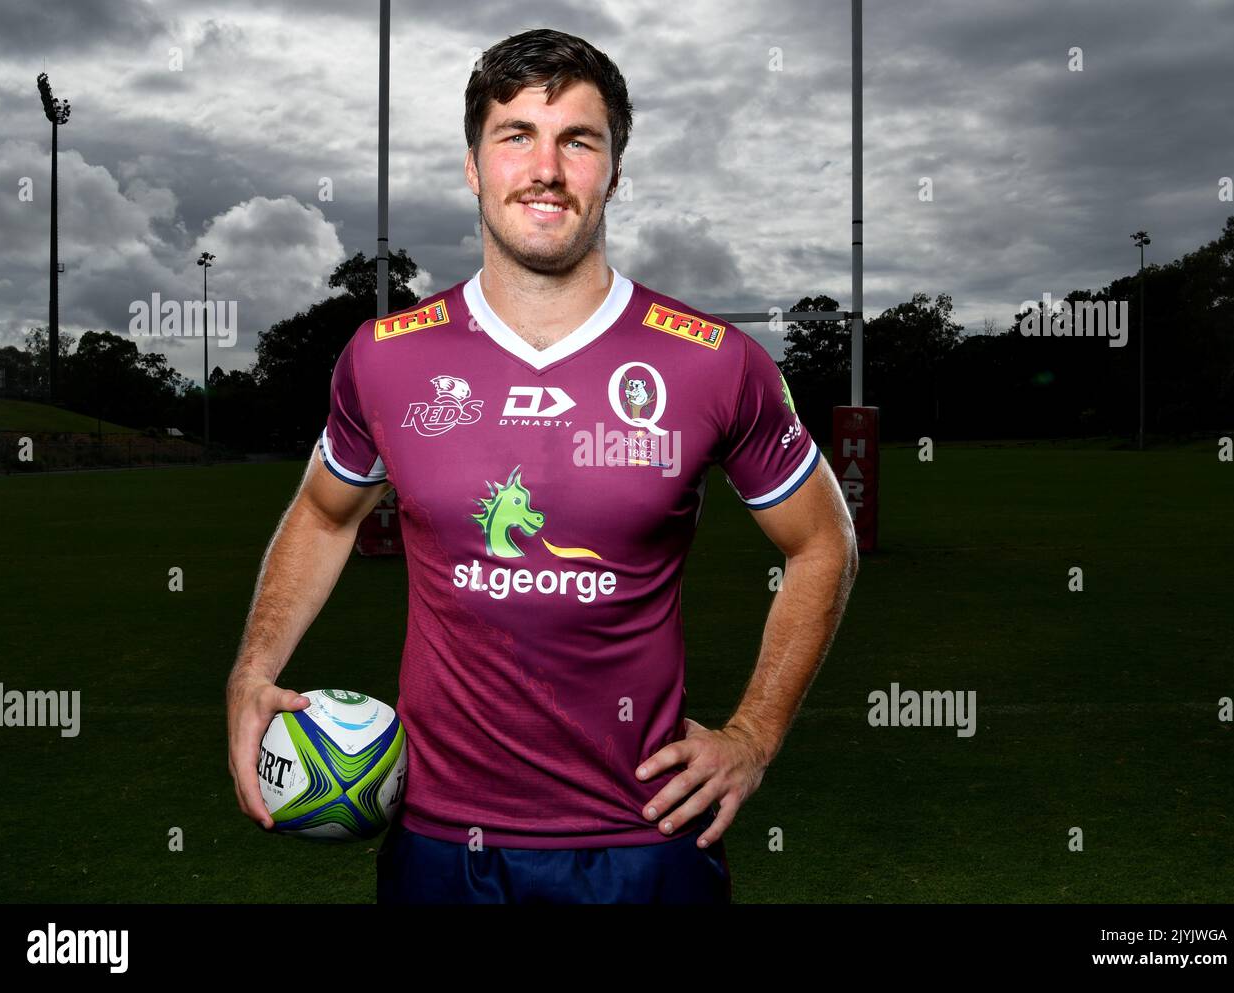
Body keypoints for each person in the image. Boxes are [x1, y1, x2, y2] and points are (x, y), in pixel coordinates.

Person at [226, 27, 858, 904]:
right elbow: (327, 513)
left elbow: (823, 541)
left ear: (614, 170)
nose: (546, 167)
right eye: (515, 135)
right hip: (440, 846)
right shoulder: (384, 357)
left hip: (645, 844)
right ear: (473, 167)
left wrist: (754, 734)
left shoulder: (712, 360)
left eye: (578, 140)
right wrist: (253, 669)